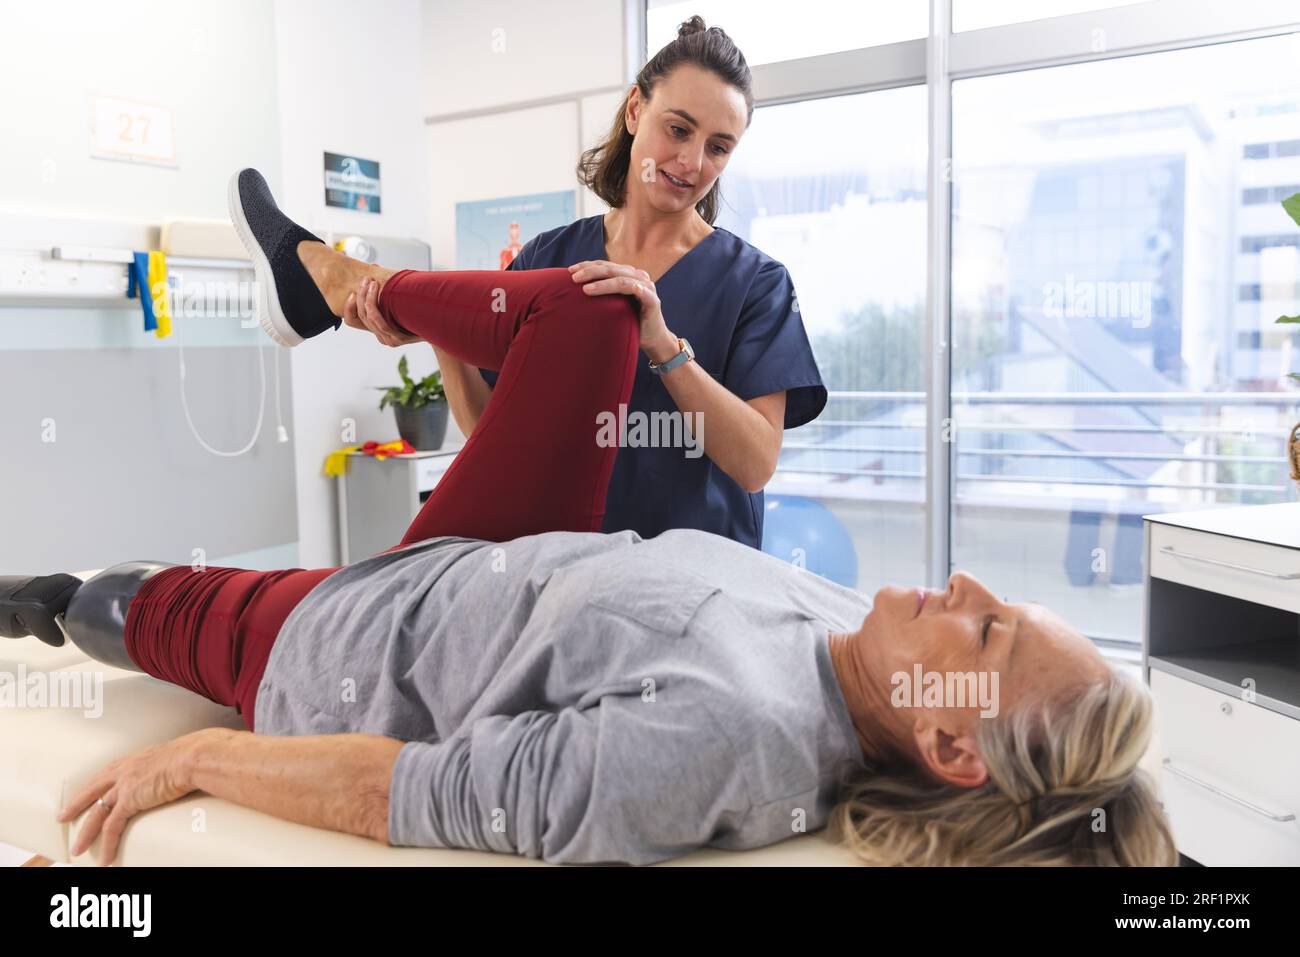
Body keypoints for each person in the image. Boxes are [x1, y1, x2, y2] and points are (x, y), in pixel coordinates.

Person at [1, 197, 1175, 866]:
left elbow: (416, 792)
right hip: (489, 558)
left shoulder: (732, 738)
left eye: (986, 635)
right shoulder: (848, 629)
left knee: (108, 602)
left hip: (348, 651)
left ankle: (37, 601)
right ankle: (330, 280)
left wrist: (190, 757)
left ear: (953, 752)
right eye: (1000, 607)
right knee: (603, 309)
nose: (966, 582)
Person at [346, 17, 828, 550]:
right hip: (571, 577)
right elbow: (490, 428)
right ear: (634, 109)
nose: (692, 161)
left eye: (718, 147)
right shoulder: (549, 259)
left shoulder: (757, 284)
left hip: (698, 590)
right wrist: (441, 330)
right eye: (678, 129)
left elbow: (756, 464)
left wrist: (663, 346)